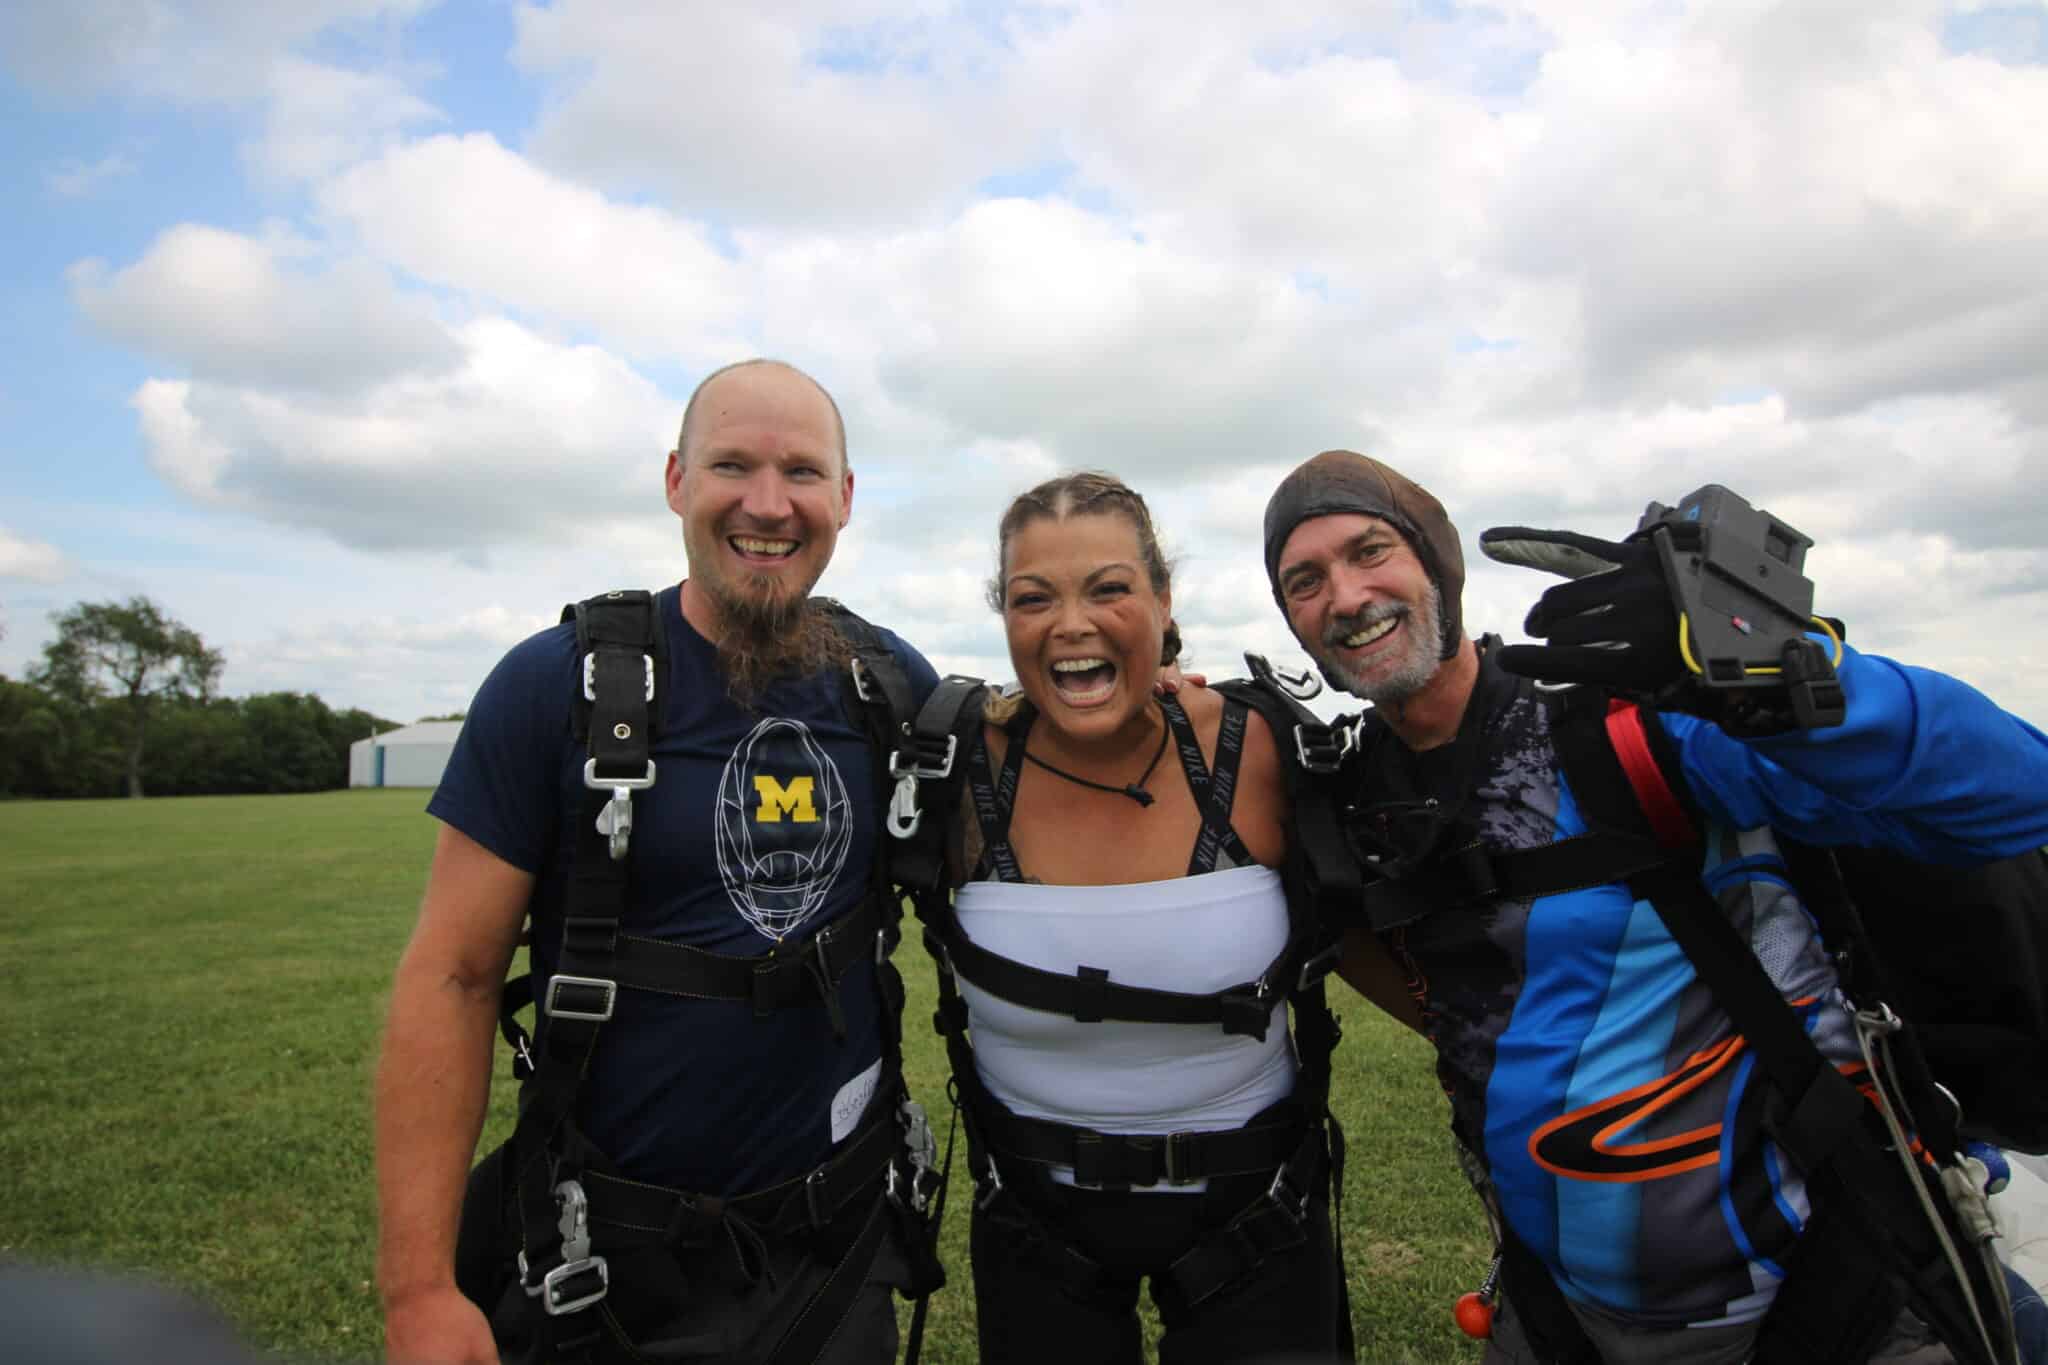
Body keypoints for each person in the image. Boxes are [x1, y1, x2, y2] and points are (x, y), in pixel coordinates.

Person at [1255, 449, 2048, 1365]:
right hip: (1565, 1318)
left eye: (1371, 552)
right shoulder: (1359, 805)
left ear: (1437, 563)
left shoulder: (1638, 732)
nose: (1346, 597)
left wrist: (1767, 673)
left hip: (1847, 1296)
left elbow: (2016, 789)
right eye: (1304, 581)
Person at [374, 359, 941, 1365]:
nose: (768, 504)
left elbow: (1027, 790)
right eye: (732, 465)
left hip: (831, 1266)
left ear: (845, 500)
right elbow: (453, 978)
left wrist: (1153, 695)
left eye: (802, 472)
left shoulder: (887, 685)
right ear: (676, 479)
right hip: (600, 1270)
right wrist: (418, 1290)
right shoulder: (554, 685)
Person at [910, 471, 1391, 1365]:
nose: (1072, 624)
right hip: (1032, 1221)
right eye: (1033, 597)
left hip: (1260, 1215)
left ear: (1163, 601)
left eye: (1109, 589)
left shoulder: (1264, 751)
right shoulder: (952, 774)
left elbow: (1390, 920)